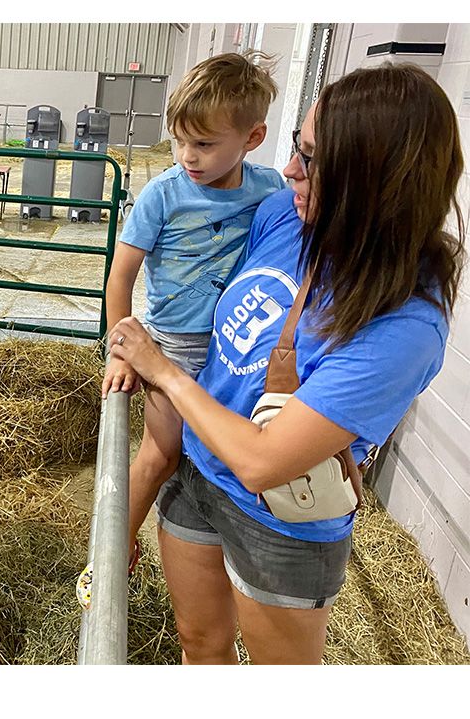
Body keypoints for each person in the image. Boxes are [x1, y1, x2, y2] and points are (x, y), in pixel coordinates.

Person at [107, 62, 464, 664]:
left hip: (278, 521)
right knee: (199, 643)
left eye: (314, 159)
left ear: (374, 180)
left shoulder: (405, 322)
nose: (291, 169)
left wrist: (161, 368)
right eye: (297, 149)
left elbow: (261, 463)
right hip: (198, 475)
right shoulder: (281, 214)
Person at [102, 52, 284, 570]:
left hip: (239, 343)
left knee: (216, 451)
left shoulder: (269, 189)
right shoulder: (163, 194)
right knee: (161, 452)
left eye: (204, 144)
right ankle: (113, 549)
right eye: (180, 140)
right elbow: (121, 275)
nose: (187, 155)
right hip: (175, 345)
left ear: (251, 138)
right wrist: (119, 353)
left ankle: (213, 546)